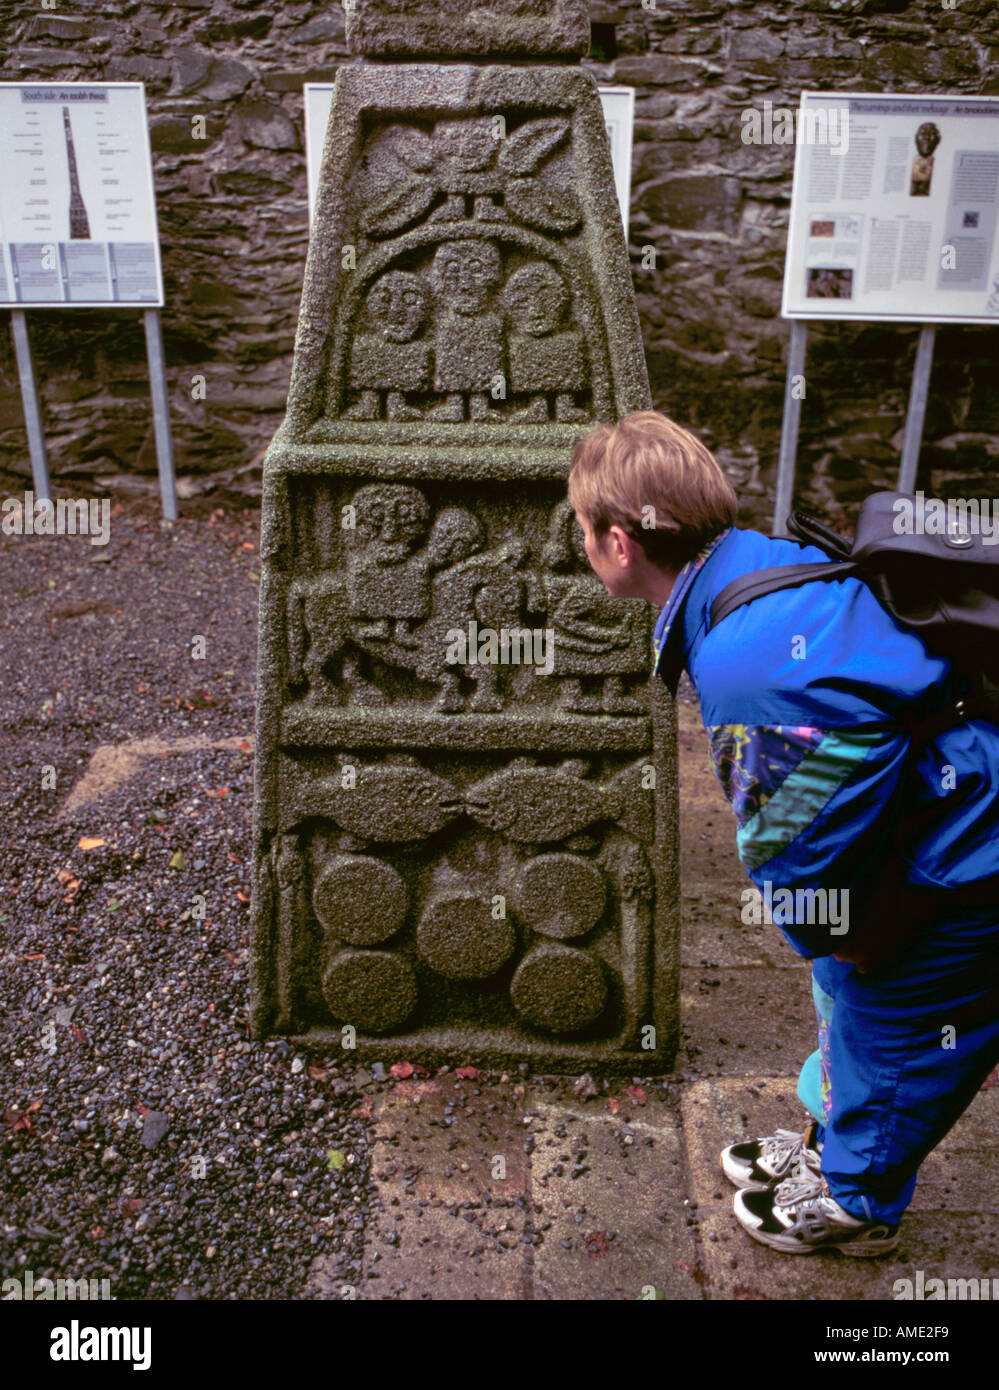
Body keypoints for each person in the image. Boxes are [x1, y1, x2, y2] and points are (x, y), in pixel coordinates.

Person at [567, 409, 999, 1256]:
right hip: (956, 801)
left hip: (972, 862)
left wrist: (837, 931)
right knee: (847, 993)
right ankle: (829, 1142)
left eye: (581, 527)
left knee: (896, 1018)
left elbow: (808, 843)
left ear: (620, 543)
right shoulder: (760, 561)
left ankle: (856, 1204)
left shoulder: (746, 662)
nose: (579, 542)